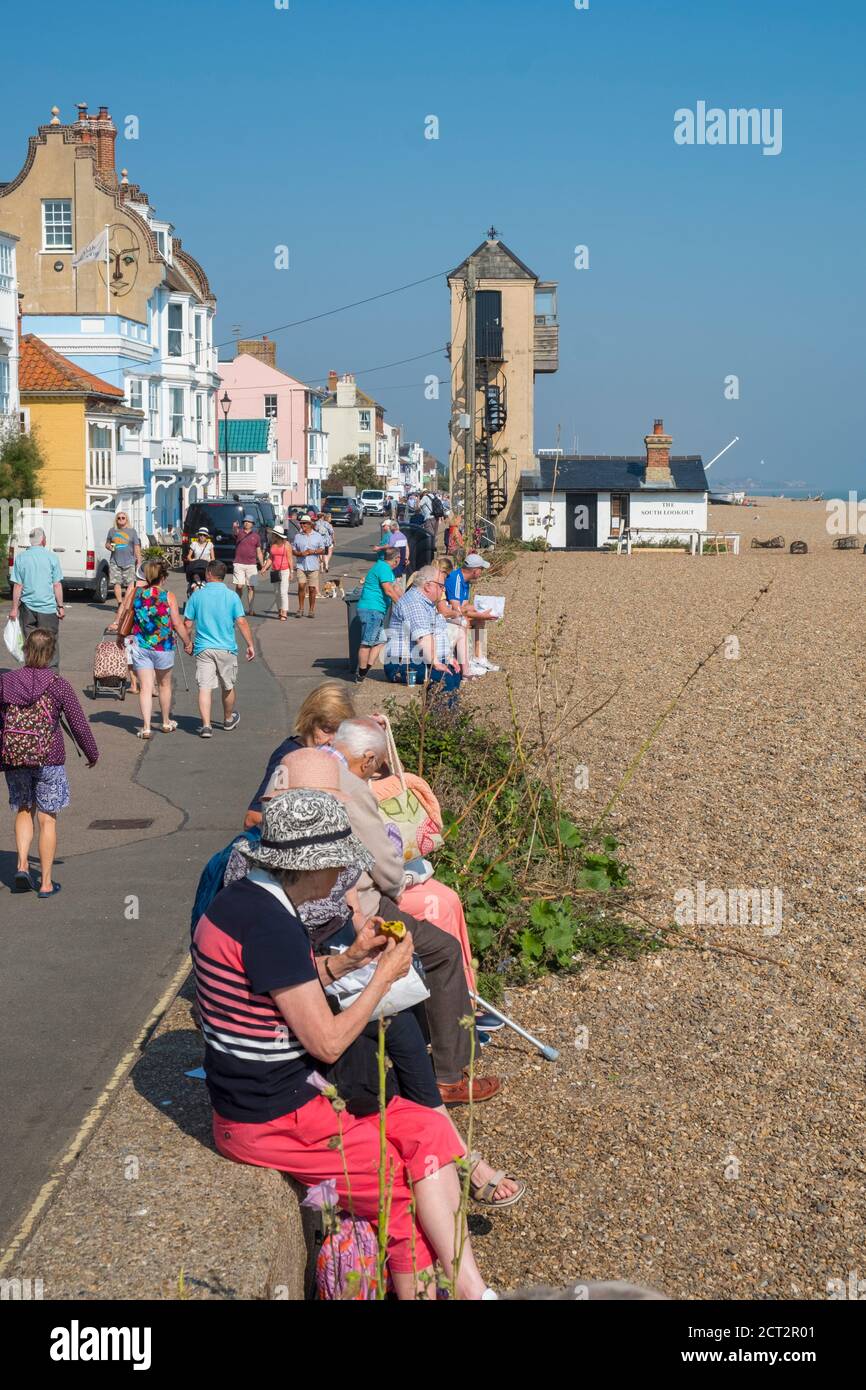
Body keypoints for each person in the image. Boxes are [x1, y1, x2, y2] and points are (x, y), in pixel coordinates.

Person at [194, 790, 498, 1299]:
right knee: (397, 1188)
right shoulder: (274, 926)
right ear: (310, 867)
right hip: (270, 1119)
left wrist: (351, 959)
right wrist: (384, 976)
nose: (341, 880)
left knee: (427, 1125)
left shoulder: (245, 900)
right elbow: (329, 1042)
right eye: (337, 868)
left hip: (273, 1100)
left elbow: (280, 982)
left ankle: (474, 1291)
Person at [259, 729, 500, 1107]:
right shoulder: (349, 790)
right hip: (353, 913)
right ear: (368, 759)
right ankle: (448, 1074)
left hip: (338, 912)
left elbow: (348, 872)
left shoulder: (298, 784)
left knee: (414, 961)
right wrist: (398, 887)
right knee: (444, 950)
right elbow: (378, 863)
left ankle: (431, 1055)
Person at [0, 628, 98, 897]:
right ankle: (45, 883)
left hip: (15, 758)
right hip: (50, 759)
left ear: (25, 650)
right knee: (47, 819)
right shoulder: (58, 684)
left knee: (23, 809)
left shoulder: (7, 682)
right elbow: (78, 723)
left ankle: (21, 865)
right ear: (51, 653)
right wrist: (92, 753)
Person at [245, 681, 357, 828]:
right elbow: (252, 818)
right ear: (309, 720)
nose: (332, 741)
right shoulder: (289, 757)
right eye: (326, 729)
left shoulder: (326, 754)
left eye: (340, 732)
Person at [183, 560, 255, 738]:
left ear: (208, 574)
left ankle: (206, 726)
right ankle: (228, 719)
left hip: (203, 648)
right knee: (227, 685)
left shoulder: (197, 596)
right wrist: (250, 644)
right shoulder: (232, 596)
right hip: (226, 648)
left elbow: (188, 623)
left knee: (205, 687)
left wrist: (188, 642)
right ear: (223, 576)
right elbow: (241, 621)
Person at [128, 558, 193, 739]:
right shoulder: (168, 596)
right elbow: (177, 623)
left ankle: (146, 727)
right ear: (163, 577)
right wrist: (187, 642)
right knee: (164, 685)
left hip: (141, 645)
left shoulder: (137, 594)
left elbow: (129, 616)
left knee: (146, 687)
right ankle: (165, 721)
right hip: (163, 646)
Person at [384, 564, 462, 692]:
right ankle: (440, 711)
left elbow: (439, 633)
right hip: (401, 664)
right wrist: (436, 663)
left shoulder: (427, 603)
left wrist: (448, 658)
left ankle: (449, 710)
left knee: (455, 673)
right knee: (445, 678)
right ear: (427, 586)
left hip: (418, 659)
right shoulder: (414, 603)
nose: (444, 591)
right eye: (441, 586)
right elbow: (424, 638)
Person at [9, 528, 64, 670]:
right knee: (50, 640)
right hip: (48, 608)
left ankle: (32, 672)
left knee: (30, 641)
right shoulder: (52, 557)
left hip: (27, 608)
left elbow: (17, 585)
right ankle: (52, 674)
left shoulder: (21, 558)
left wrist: (14, 608)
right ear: (43, 540)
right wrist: (60, 606)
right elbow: (57, 585)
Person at [444, 553, 499, 675]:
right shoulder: (455, 579)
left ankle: (479, 657)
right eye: (481, 569)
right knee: (466, 620)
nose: (482, 572)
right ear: (475, 571)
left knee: (479, 620)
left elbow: (465, 606)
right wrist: (481, 614)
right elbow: (457, 609)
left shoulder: (466, 581)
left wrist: (482, 611)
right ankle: (466, 663)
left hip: (455, 614)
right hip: (446, 616)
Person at [355, 547, 402, 684]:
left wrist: (404, 598)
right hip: (372, 610)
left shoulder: (383, 568)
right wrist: (402, 606)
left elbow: (395, 589)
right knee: (367, 643)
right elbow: (388, 591)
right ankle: (360, 675)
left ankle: (365, 671)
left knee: (380, 641)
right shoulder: (384, 568)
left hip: (377, 610)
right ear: (396, 559)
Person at [105, 511, 142, 615]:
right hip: (115, 561)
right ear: (116, 520)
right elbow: (107, 543)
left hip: (129, 561)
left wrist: (139, 561)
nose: (121, 519)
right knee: (117, 583)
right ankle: (120, 603)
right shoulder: (112, 531)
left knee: (130, 584)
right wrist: (108, 546)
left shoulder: (132, 531)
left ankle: (127, 603)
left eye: (123, 518)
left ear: (127, 519)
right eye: (119, 518)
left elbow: (136, 547)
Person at [291, 513, 326, 619]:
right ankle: (300, 608)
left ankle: (311, 609)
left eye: (304, 523)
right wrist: (300, 553)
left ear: (310, 524)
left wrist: (313, 551)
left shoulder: (317, 536)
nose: (302, 525)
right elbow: (293, 550)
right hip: (301, 565)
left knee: (311, 589)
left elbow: (323, 549)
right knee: (301, 586)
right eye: (301, 523)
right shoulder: (298, 536)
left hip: (313, 566)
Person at [232, 515, 265, 614]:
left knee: (251, 587)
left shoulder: (256, 536)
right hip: (239, 563)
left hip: (251, 564)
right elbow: (235, 532)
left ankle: (251, 609)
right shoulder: (239, 533)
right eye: (245, 521)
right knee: (239, 586)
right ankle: (237, 607)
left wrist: (262, 565)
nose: (246, 523)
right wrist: (234, 527)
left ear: (252, 524)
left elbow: (259, 551)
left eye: (249, 522)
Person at [266, 525, 294, 620]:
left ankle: (284, 612)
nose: (272, 536)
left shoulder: (286, 544)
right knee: (276, 592)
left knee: (283, 592)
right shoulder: (272, 544)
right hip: (274, 570)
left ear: (278, 535)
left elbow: (290, 558)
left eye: (274, 534)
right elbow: (271, 558)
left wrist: (292, 571)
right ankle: (280, 609)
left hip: (285, 570)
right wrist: (264, 568)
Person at [185, 527, 214, 596]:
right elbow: (189, 556)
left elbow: (213, 558)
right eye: (200, 535)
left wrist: (209, 561)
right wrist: (192, 560)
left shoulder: (210, 545)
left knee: (206, 580)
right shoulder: (194, 544)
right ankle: (196, 586)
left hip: (206, 566)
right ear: (198, 535)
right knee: (195, 577)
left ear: (206, 536)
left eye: (204, 535)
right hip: (196, 566)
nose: (202, 536)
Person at [314, 509, 335, 573]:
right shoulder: (326, 523)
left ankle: (321, 569)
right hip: (326, 541)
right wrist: (333, 539)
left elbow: (314, 532)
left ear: (317, 517)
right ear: (323, 517)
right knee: (325, 554)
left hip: (318, 541)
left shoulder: (316, 524)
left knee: (320, 554)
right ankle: (326, 566)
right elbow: (331, 532)